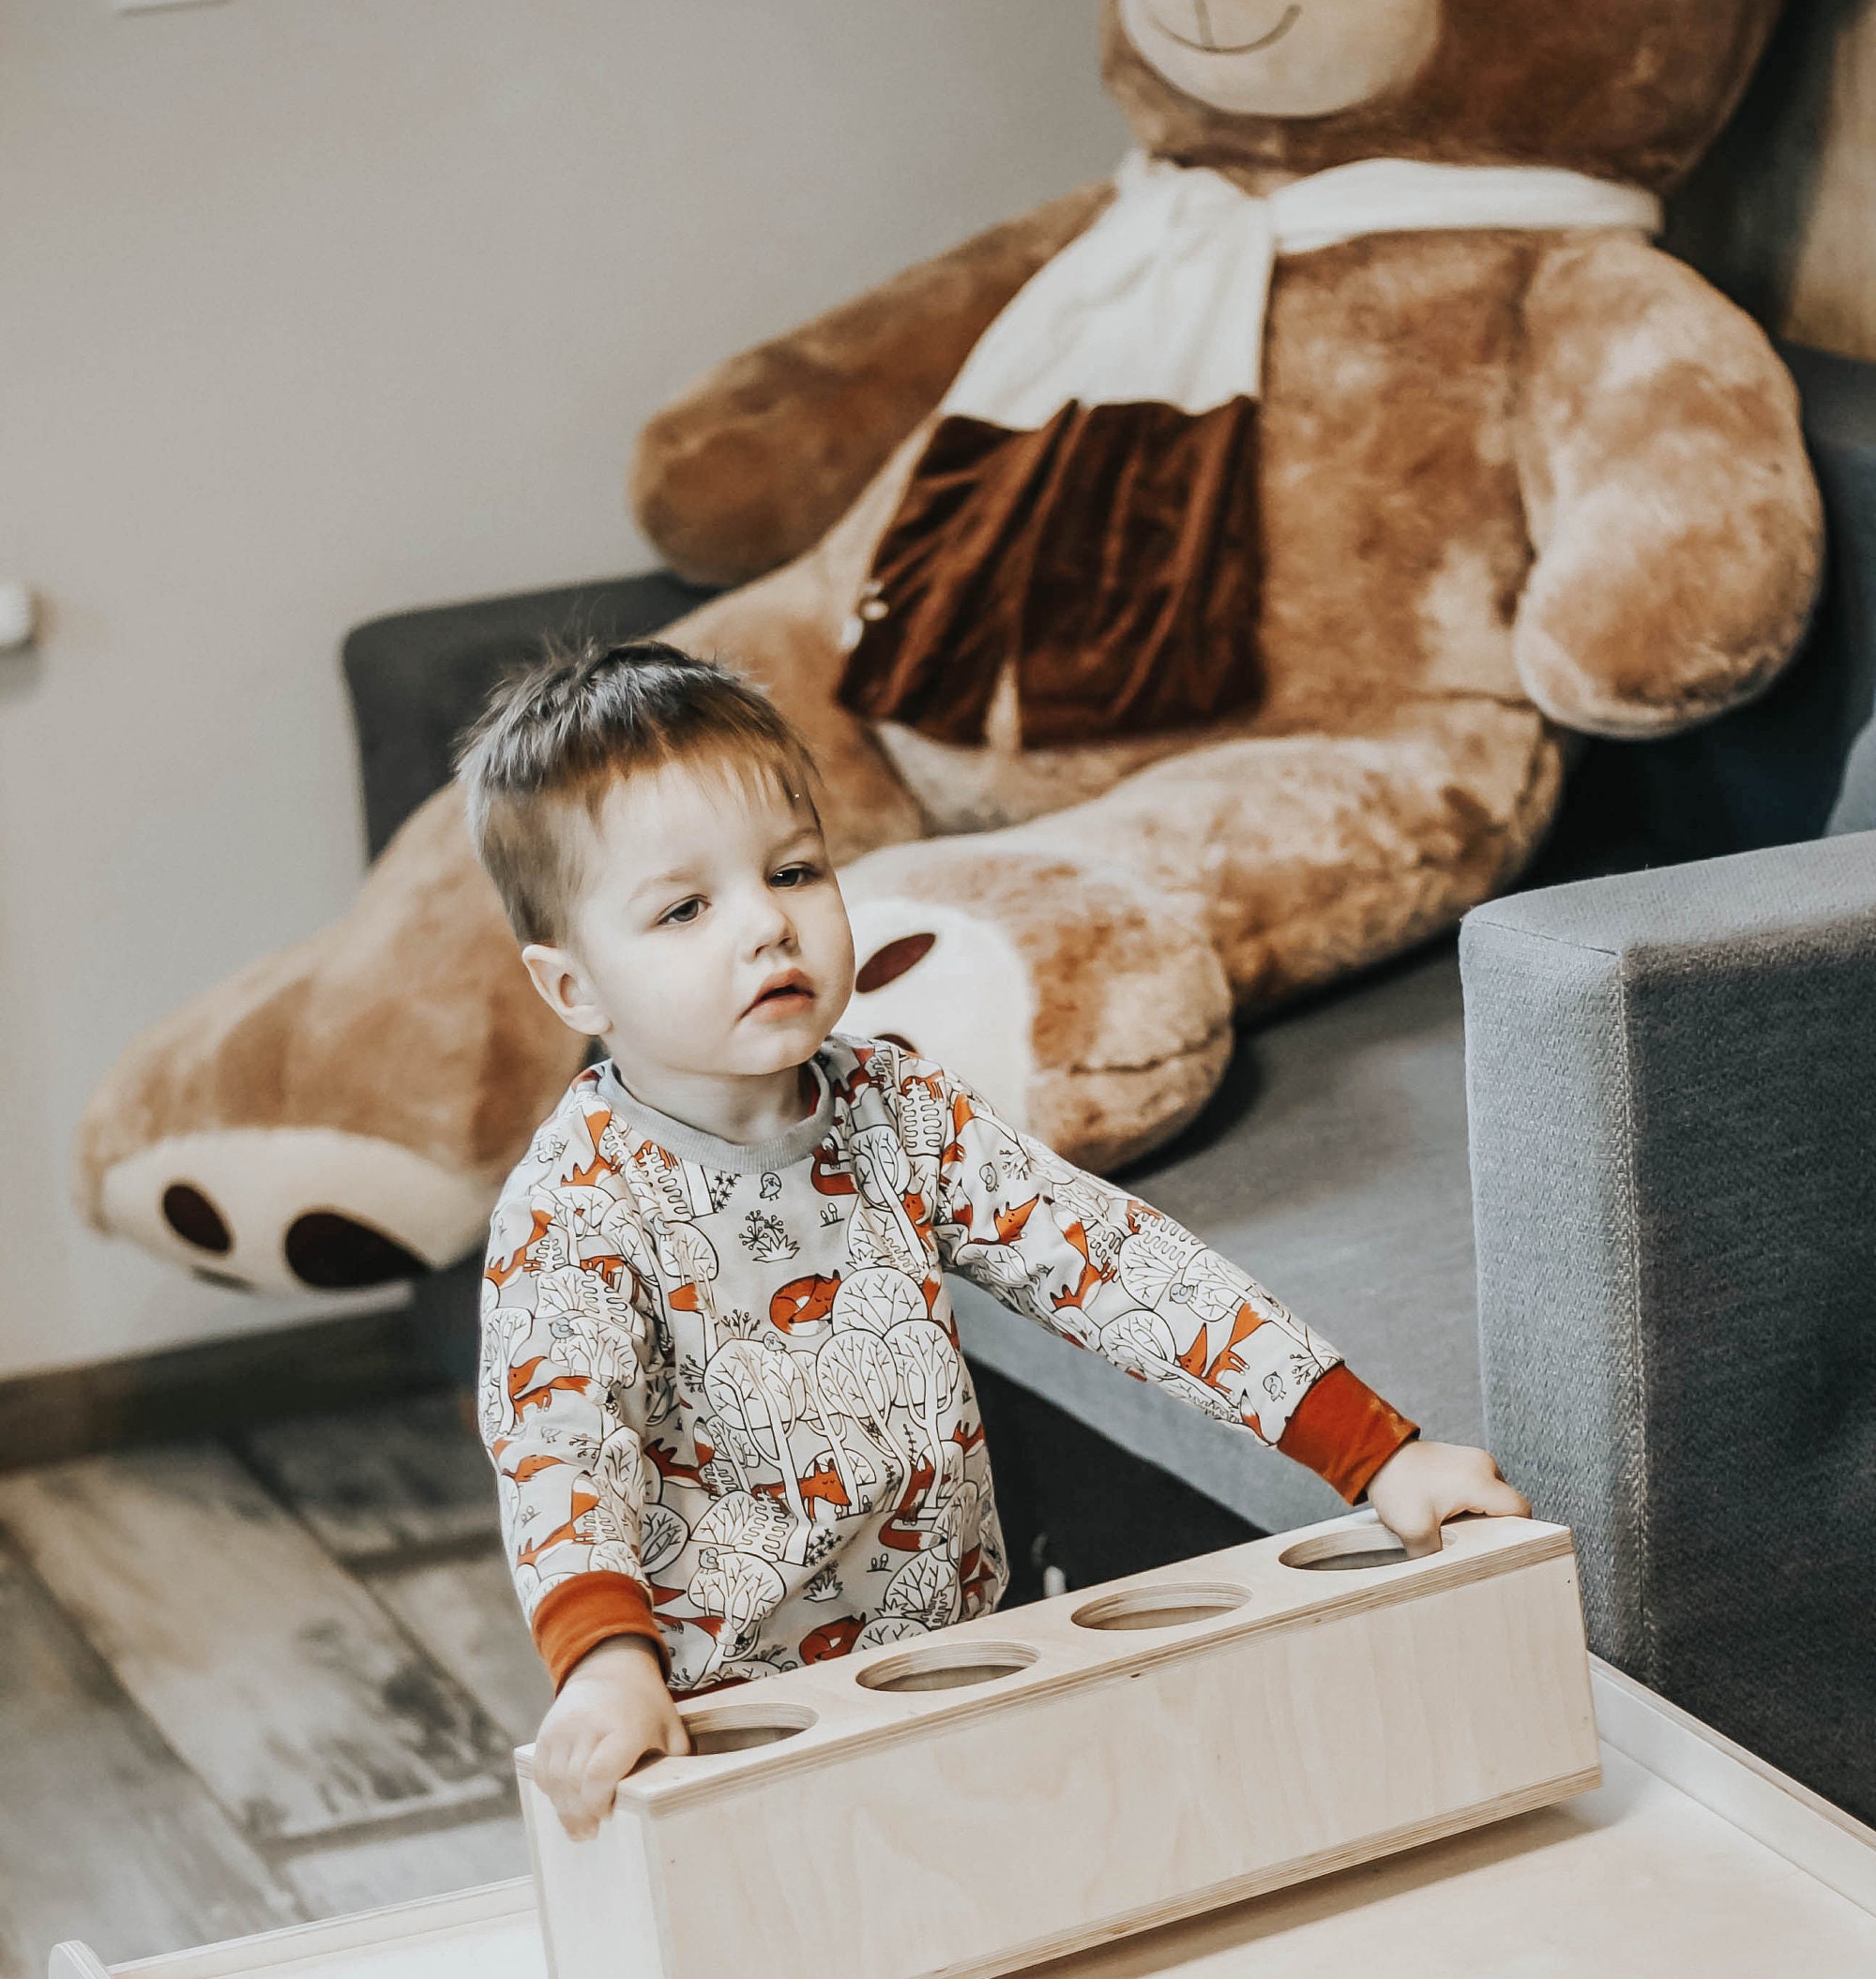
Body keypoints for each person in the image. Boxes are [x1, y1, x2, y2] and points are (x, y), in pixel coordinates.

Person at [464, 642, 1528, 1837]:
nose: (766, 924)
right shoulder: (577, 1207)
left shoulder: (900, 1110)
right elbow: (560, 1444)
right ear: (573, 989)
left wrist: (1374, 1455)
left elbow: (1117, 1265)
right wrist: (607, 1667)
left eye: (794, 870)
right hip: (720, 1732)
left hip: (958, 1662)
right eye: (684, 908)